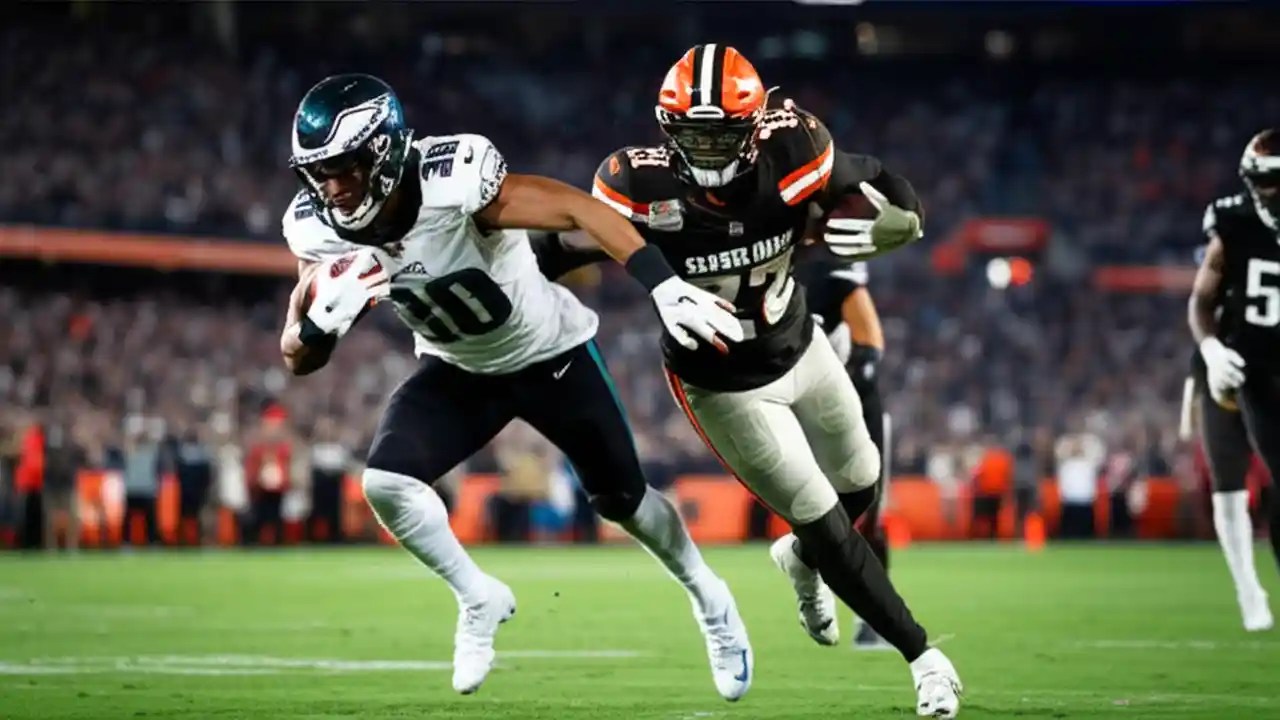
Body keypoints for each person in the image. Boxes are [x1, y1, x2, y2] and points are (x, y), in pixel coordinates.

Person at [278, 74, 751, 699]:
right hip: (459, 369)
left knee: (626, 502)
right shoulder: (316, 229)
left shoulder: (453, 181)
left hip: (550, 354)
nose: (331, 188)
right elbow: (296, 357)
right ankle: (477, 597)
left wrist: (662, 286)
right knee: (386, 484)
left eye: (344, 168)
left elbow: (581, 209)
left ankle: (710, 598)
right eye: (318, 172)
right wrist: (317, 327)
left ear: (384, 153)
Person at [535, 45, 960, 718]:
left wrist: (907, 213)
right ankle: (922, 658)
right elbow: (556, 248)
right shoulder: (637, 184)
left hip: (801, 345)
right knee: (824, 520)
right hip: (722, 385)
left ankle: (799, 558)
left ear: (757, 126)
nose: (707, 150)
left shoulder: (795, 148)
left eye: (722, 134)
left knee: (862, 480)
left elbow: (874, 175)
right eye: (693, 134)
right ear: (666, 129)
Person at [1187, 128, 1280, 631]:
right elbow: (1202, 300)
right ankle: (1248, 589)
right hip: (1235, 364)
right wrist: (1211, 348)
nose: (1271, 193)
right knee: (1227, 484)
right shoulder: (1235, 223)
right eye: (1263, 182)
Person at [795, 255, 892, 648]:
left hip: (854, 404)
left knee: (868, 514)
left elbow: (869, 345)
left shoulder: (826, 266)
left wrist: (839, 389)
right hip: (800, 407)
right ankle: (816, 594)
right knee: (812, 514)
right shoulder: (758, 262)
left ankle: (875, 615)